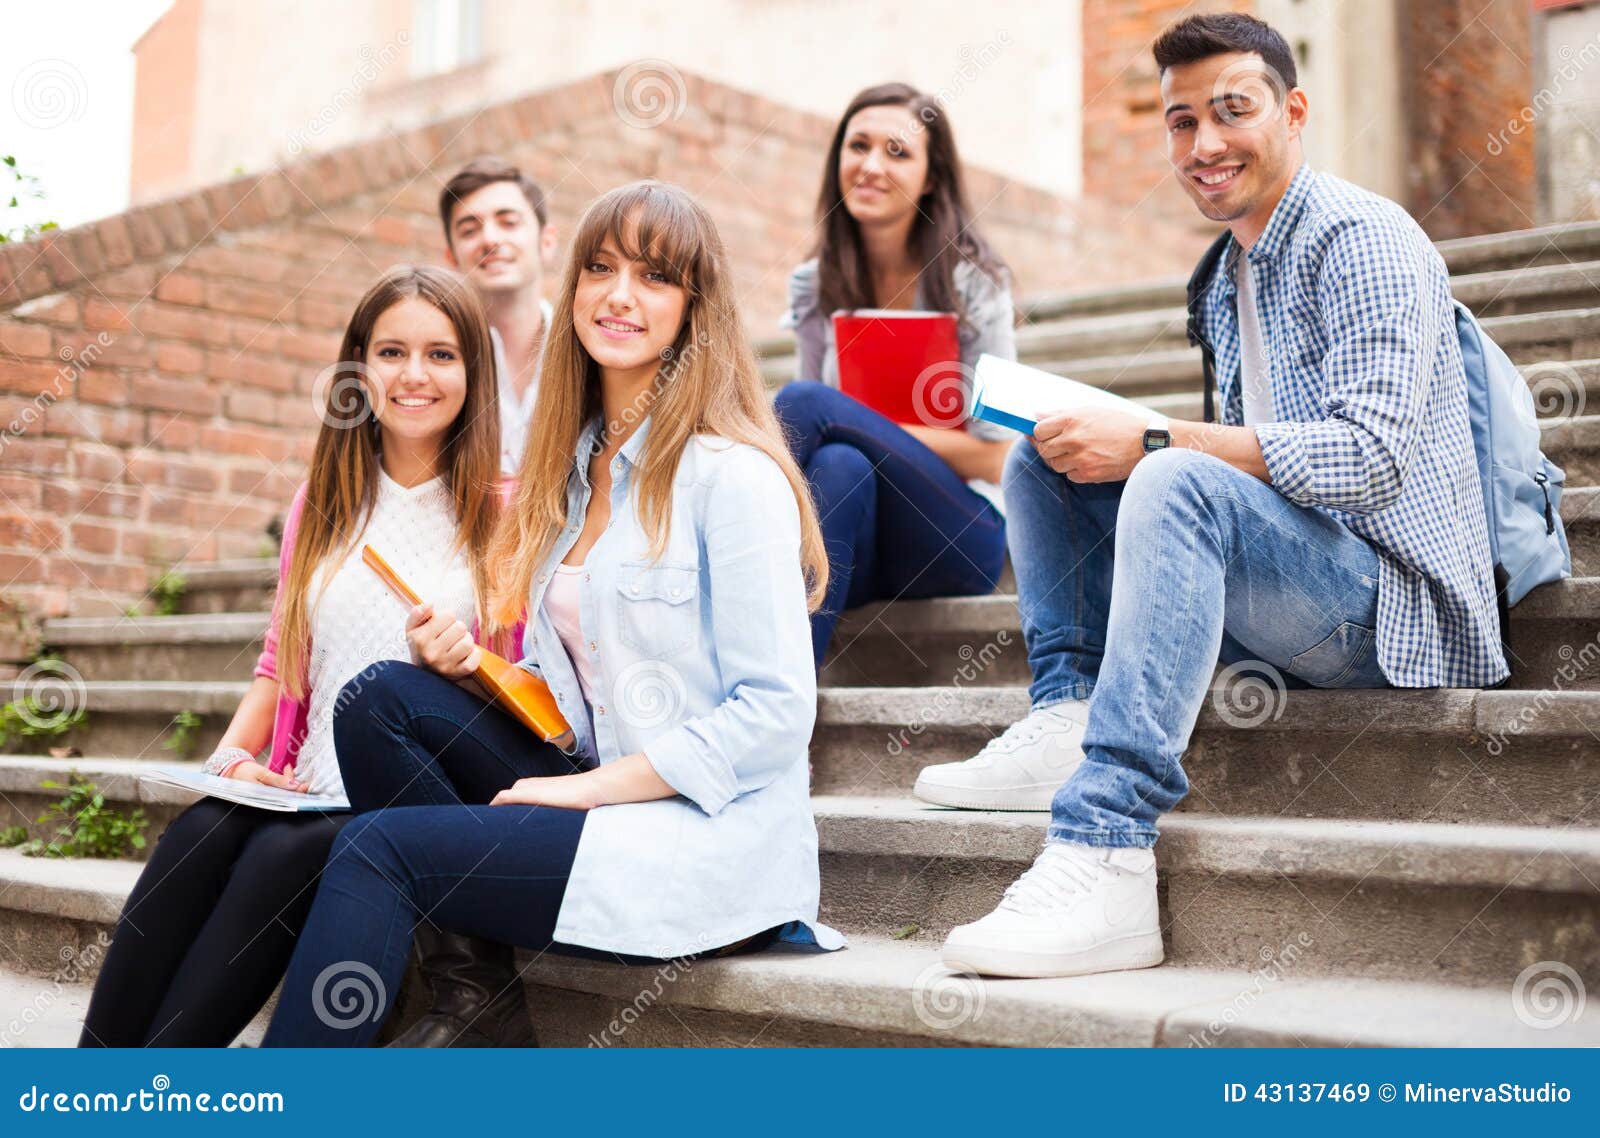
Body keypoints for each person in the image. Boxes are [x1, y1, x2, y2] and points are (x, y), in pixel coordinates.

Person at [925, 12, 1507, 978]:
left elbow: (1368, 461)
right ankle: (1071, 713)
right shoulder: (1224, 271)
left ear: (1293, 111)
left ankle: (1106, 848)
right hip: (1294, 580)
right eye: (1180, 121)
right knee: (1047, 449)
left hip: (1392, 606)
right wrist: (1125, 441)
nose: (1203, 145)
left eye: (1231, 111)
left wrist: (1155, 440)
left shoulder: (1362, 238)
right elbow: (1240, 467)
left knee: (1168, 467)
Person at [261, 180, 842, 1048]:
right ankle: (479, 1005)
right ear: (569, 287)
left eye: (654, 277)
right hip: (601, 792)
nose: (618, 294)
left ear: (695, 308)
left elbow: (775, 715)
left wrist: (587, 791)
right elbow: (577, 702)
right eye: (600, 268)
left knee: (377, 846)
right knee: (380, 697)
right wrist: (482, 676)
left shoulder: (733, 476)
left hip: (700, 843)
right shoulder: (568, 479)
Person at [78, 265, 508, 1044]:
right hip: (304, 785)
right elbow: (282, 666)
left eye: (442, 355)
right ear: (360, 367)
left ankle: (155, 1088)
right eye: (392, 352)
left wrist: (465, 665)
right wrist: (233, 759)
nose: (415, 375)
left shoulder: (506, 514)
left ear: (475, 372)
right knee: (199, 832)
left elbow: (525, 699)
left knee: (285, 855)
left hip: (410, 800)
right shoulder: (323, 500)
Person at [775, 82, 1016, 668]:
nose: (872, 166)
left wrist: (859, 423)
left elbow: (1000, 456)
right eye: (858, 146)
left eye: (898, 152)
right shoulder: (815, 285)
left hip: (955, 536)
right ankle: (787, 712)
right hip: (853, 536)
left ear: (931, 178)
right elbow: (818, 454)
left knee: (808, 406)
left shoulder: (974, 284)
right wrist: (853, 433)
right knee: (837, 462)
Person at [441, 156, 559, 473]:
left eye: (508, 222)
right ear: (452, 257)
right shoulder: (436, 362)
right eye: (469, 230)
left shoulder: (590, 348)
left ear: (546, 242)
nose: (490, 239)